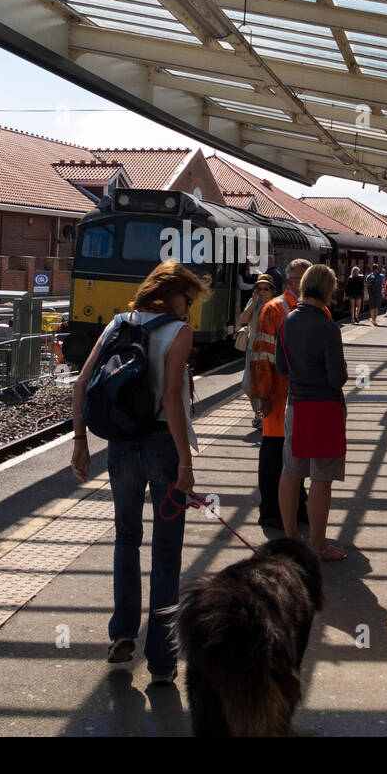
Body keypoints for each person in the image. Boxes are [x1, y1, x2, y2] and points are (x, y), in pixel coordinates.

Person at [71, 261, 209, 683]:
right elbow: (170, 399)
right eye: (188, 299)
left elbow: (80, 384)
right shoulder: (178, 333)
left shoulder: (118, 323)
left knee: (126, 539)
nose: (190, 308)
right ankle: (163, 662)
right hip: (163, 448)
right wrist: (186, 461)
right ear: (170, 295)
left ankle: (122, 635)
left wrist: (80, 443)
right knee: (166, 552)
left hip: (121, 448)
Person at [277, 264, 348, 560]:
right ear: (328, 289)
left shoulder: (287, 321)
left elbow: (281, 367)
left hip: (296, 406)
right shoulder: (328, 327)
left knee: (291, 472)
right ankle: (318, 545)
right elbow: (337, 378)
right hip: (326, 411)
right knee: (322, 478)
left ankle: (291, 537)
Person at [248, 258, 312, 530]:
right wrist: (262, 394)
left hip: (302, 396)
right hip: (277, 396)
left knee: (296, 454)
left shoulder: (311, 309)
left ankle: (296, 506)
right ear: (291, 281)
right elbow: (261, 356)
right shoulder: (274, 309)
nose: (307, 282)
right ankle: (271, 511)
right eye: (302, 278)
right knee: (274, 455)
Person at [238, 273, 276, 431]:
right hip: (252, 348)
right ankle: (258, 412)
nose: (262, 291)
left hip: (271, 350)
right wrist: (253, 302)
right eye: (259, 288)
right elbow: (242, 320)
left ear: (272, 290)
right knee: (247, 385)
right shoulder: (253, 302)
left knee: (268, 384)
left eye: (265, 289)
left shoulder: (277, 305)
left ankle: (262, 415)